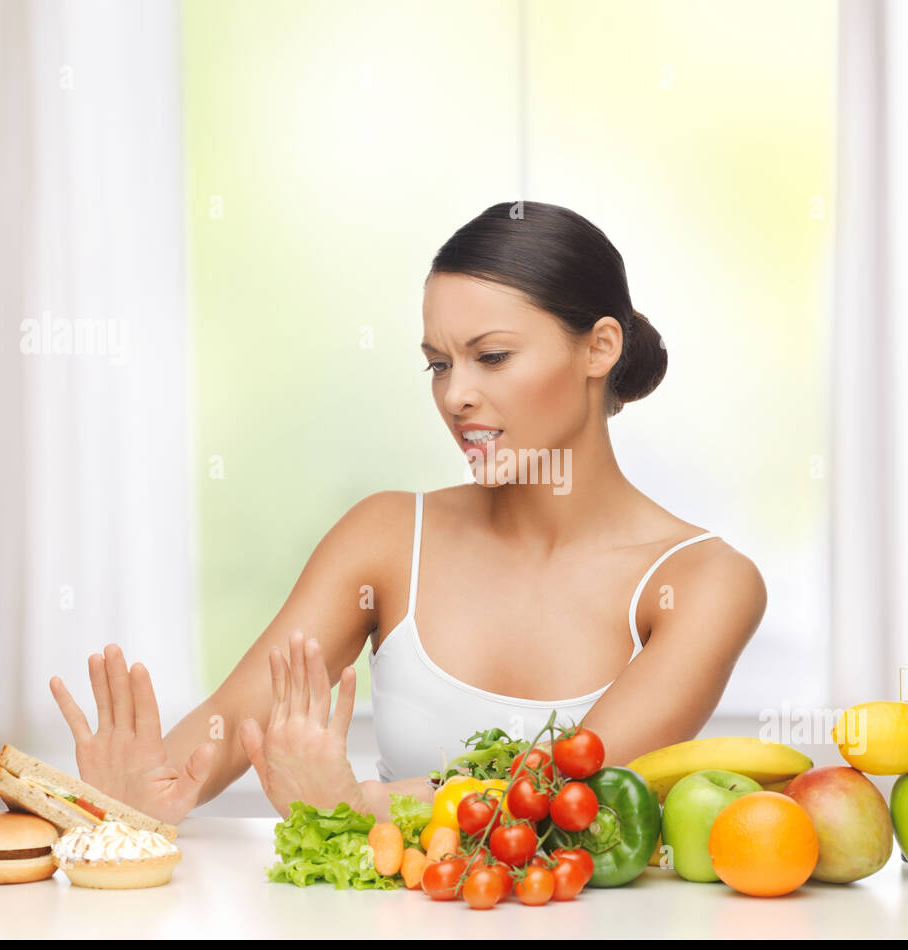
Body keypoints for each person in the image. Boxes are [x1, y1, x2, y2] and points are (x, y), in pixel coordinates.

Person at [48, 201, 767, 825]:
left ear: (599, 347)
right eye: (439, 363)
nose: (455, 395)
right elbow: (225, 725)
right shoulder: (386, 537)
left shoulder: (707, 582)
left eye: (491, 355)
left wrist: (363, 804)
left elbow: (569, 790)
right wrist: (137, 790)